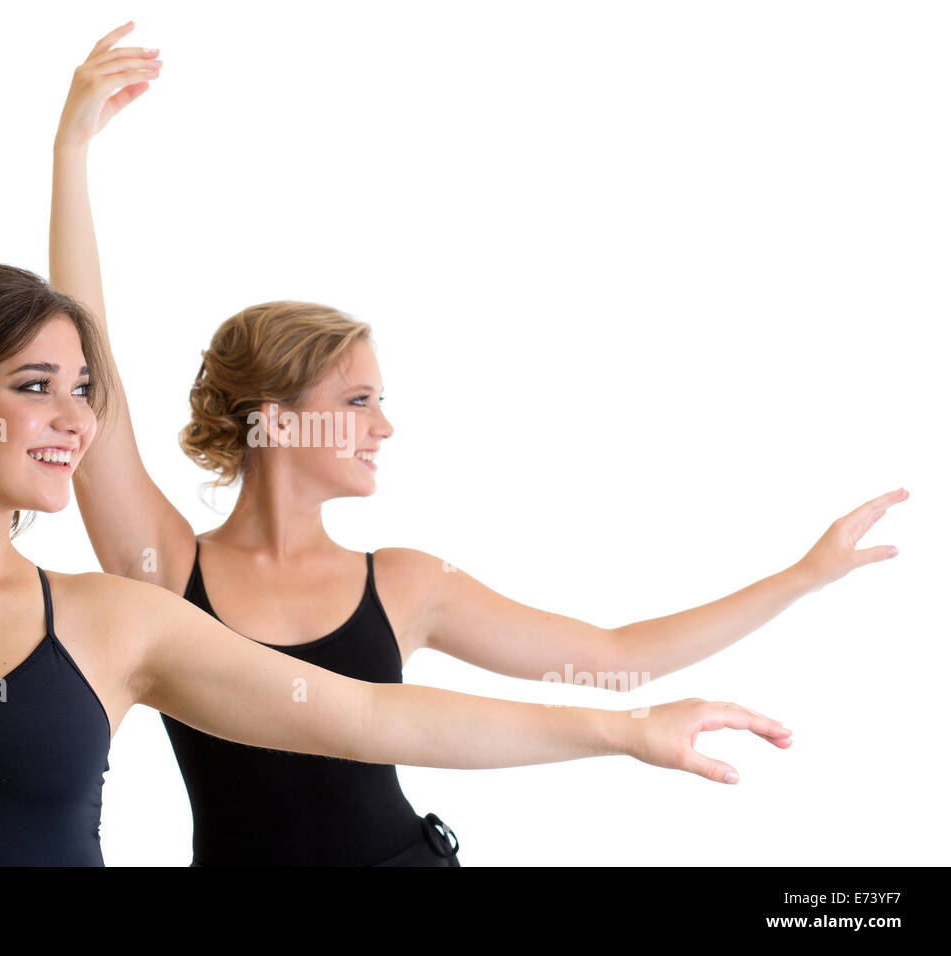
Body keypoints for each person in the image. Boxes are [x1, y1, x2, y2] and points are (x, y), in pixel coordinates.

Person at [0, 5, 796, 867]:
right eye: (36, 385)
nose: (76, 418)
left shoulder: (120, 620)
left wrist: (627, 729)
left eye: (85, 389)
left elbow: (362, 715)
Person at [52, 22, 904, 866]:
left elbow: (612, 658)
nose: (383, 427)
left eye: (382, 400)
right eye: (357, 401)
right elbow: (87, 367)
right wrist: (72, 150)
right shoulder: (159, 567)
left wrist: (804, 576)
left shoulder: (406, 583)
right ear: (274, 417)